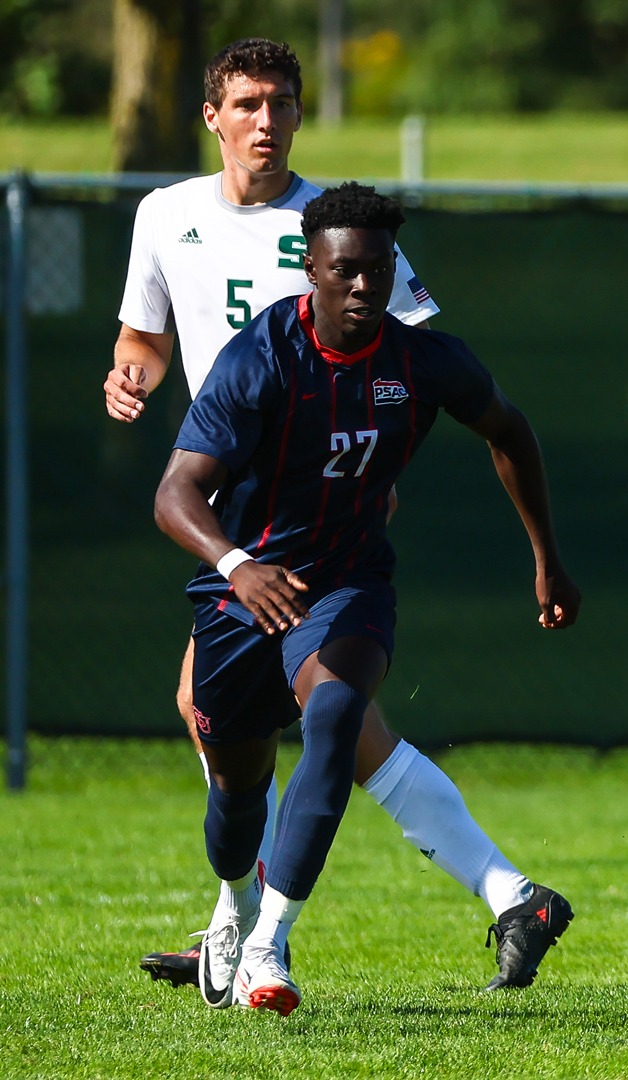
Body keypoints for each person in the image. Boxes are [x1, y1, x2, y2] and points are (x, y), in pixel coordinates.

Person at [107, 38, 574, 995]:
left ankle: (251, 932)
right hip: (231, 506)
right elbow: (146, 338)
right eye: (247, 104)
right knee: (224, 723)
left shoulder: (340, 227)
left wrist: (366, 449)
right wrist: (133, 377)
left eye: (282, 102)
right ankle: (498, 892)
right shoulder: (167, 216)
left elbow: (417, 355)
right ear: (213, 117)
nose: (266, 121)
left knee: (332, 716)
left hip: (330, 516)